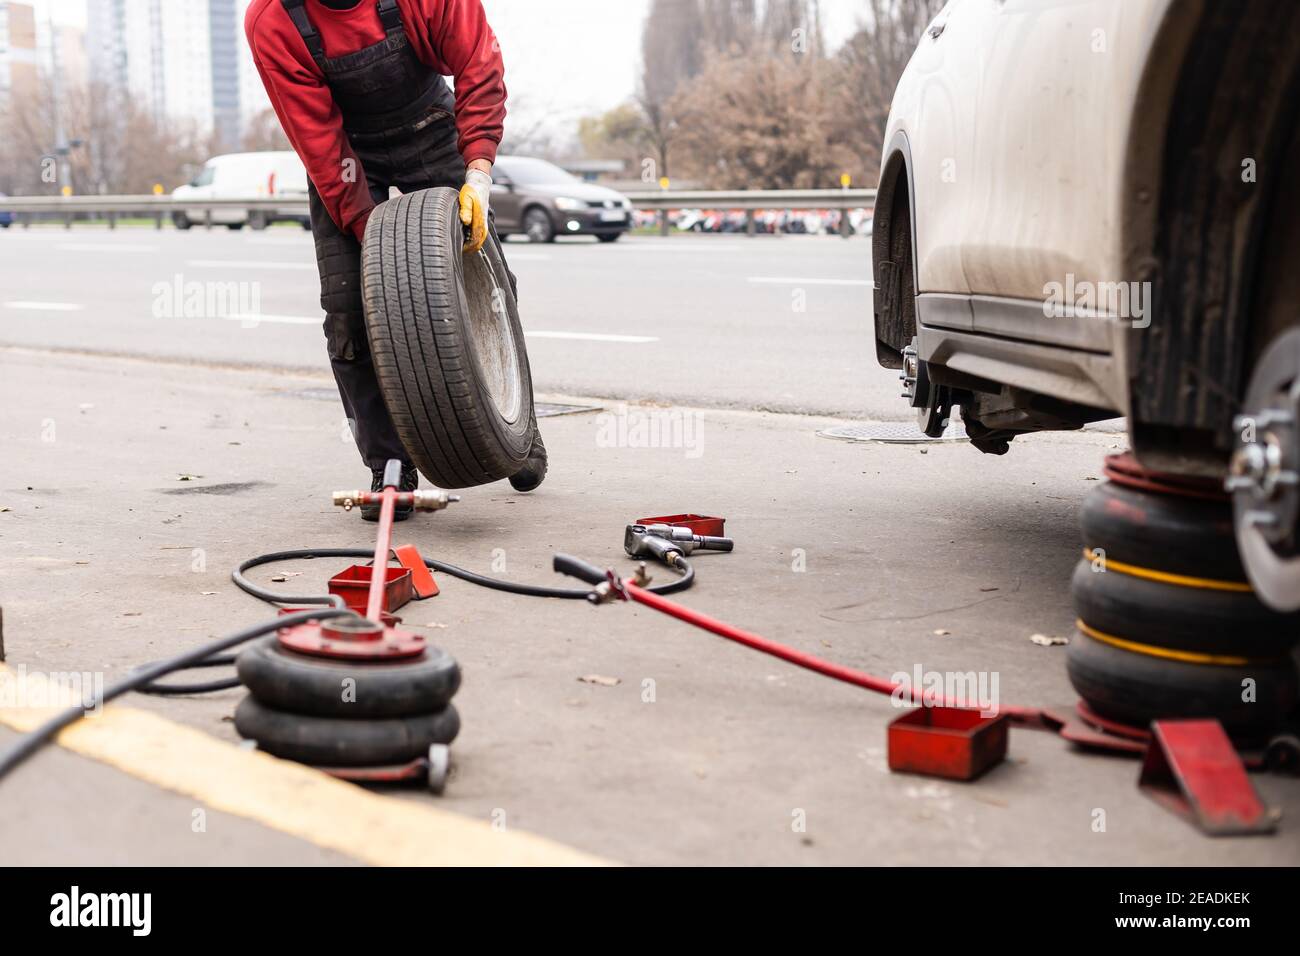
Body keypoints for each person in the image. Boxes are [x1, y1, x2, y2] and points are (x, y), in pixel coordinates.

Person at [245, 0, 546, 519]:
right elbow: (317, 138)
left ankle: (515, 426)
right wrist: (377, 239)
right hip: (345, 154)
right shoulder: (273, 19)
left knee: (485, 277)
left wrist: (477, 171)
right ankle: (389, 463)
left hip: (429, 124)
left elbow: (477, 60)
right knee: (348, 308)